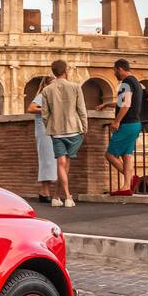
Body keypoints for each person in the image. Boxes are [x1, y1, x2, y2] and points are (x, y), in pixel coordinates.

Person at [39, 60, 87, 207]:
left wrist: (50, 127)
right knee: (66, 164)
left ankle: (56, 196)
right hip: (73, 130)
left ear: (53, 72)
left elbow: (45, 114)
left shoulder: (47, 90)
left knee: (61, 164)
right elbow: (81, 110)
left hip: (57, 131)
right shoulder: (75, 87)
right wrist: (85, 127)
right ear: (66, 70)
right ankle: (67, 196)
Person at [100, 58, 144, 195]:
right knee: (127, 155)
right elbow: (122, 102)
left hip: (126, 124)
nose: (114, 74)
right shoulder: (135, 82)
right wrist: (107, 104)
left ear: (120, 69)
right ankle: (126, 186)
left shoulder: (126, 82)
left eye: (115, 71)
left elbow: (126, 104)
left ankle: (130, 179)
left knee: (110, 154)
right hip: (135, 124)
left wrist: (116, 121)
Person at [27, 75, 58, 205]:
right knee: (47, 161)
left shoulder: (54, 97)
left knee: (52, 161)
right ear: (45, 85)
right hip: (44, 132)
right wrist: (46, 110)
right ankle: (44, 191)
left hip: (52, 131)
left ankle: (45, 191)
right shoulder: (42, 96)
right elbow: (31, 108)